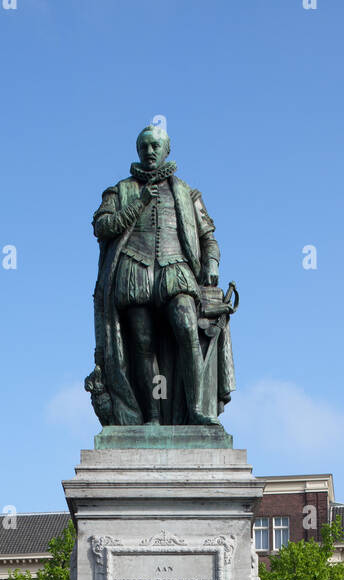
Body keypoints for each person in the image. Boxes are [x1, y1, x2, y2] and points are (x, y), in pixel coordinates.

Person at [87, 124, 235, 427]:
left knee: (186, 327)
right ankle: (152, 416)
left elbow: (208, 236)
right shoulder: (120, 190)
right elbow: (101, 227)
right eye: (144, 147)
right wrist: (137, 205)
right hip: (134, 267)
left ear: (167, 149)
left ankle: (196, 409)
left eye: (155, 146)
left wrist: (212, 264)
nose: (149, 151)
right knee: (142, 343)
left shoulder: (187, 193)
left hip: (175, 266)